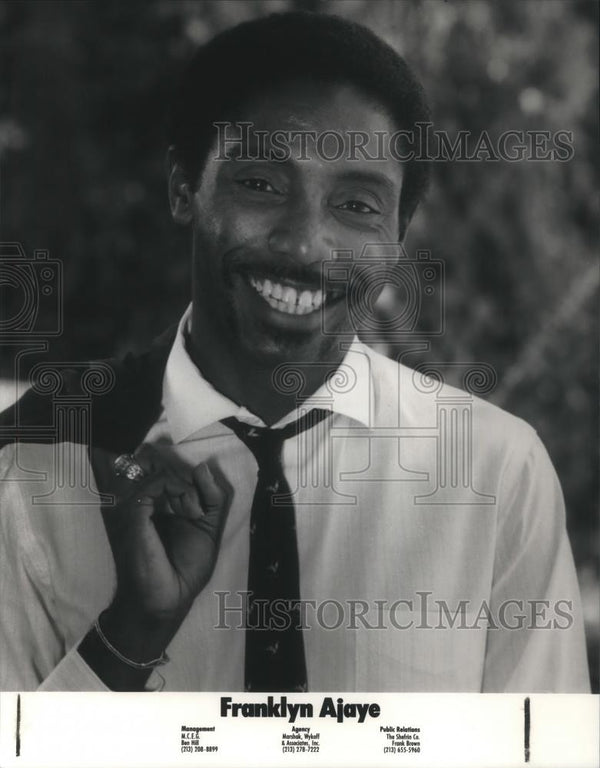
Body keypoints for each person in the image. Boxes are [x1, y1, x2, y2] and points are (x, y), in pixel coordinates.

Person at [0, 11, 590, 693]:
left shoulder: (496, 472)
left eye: (358, 206)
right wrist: (127, 638)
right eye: (261, 185)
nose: (306, 245)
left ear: (398, 237)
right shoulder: (36, 466)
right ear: (183, 187)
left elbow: (541, 752)